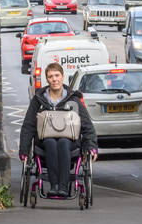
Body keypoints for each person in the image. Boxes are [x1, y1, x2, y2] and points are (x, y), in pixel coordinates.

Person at [19, 61, 97, 198]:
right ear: (47, 79)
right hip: (44, 141)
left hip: (70, 141)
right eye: (50, 77)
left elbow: (87, 125)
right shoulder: (39, 100)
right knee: (50, 142)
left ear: (62, 76)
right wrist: (24, 150)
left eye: (57, 75)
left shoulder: (73, 99)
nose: (54, 79)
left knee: (63, 142)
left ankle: (63, 187)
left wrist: (91, 146)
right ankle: (54, 186)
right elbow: (29, 125)